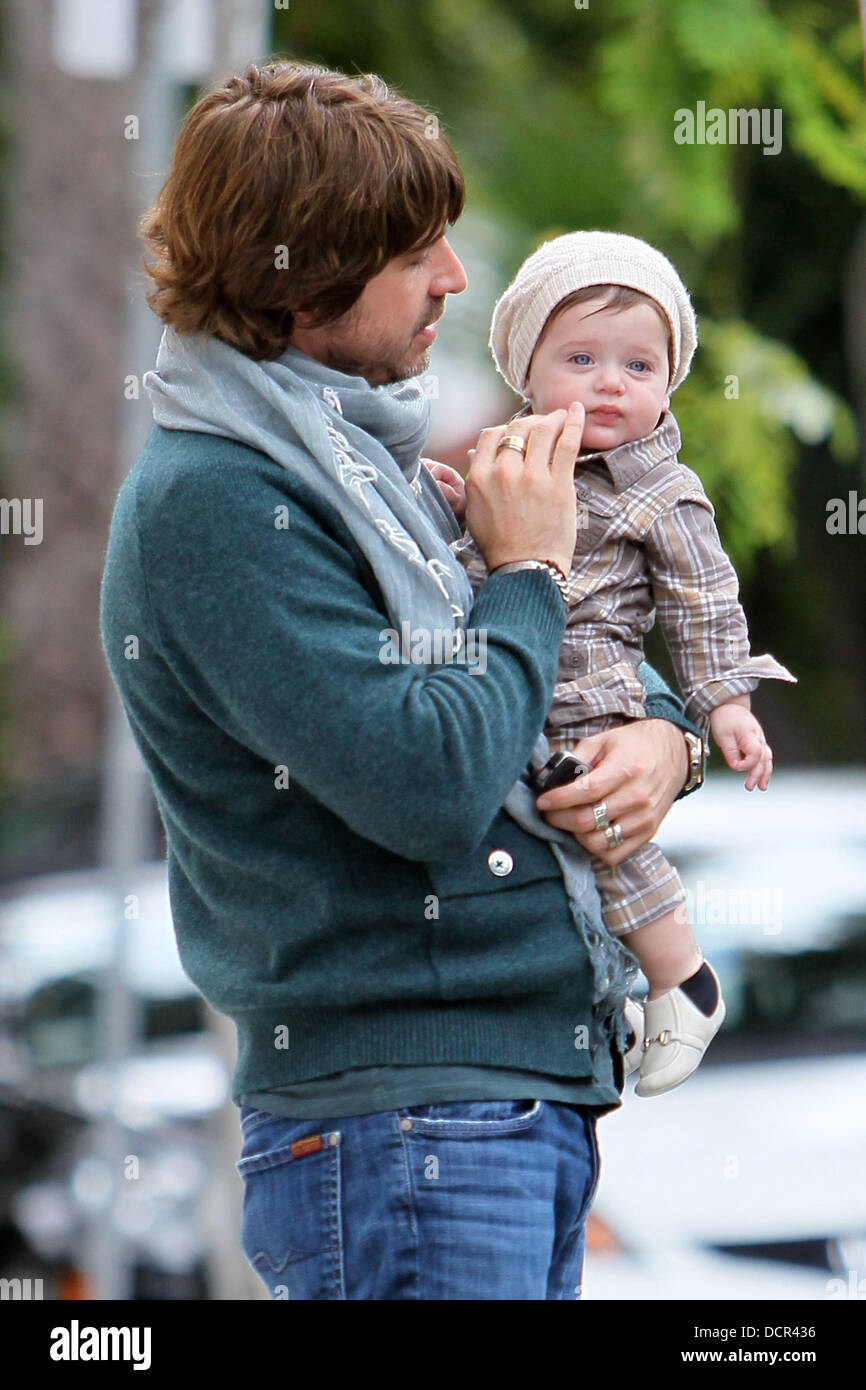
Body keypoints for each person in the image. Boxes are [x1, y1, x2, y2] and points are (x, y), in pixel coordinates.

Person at [100, 61, 704, 1301]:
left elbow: (564, 672)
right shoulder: (220, 503)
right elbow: (427, 778)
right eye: (414, 250)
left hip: (498, 1108)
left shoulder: (353, 461)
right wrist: (527, 565)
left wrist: (664, 736)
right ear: (307, 272)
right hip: (406, 1127)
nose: (453, 278)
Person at [445, 230, 796, 1098]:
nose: (611, 382)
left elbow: (705, 600)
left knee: (601, 825)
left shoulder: (663, 492)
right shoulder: (513, 457)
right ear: (529, 368)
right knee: (538, 835)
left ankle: (686, 981)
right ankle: (620, 992)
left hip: (595, 683)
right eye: (583, 357)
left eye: (640, 367)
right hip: (511, 674)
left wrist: (724, 706)